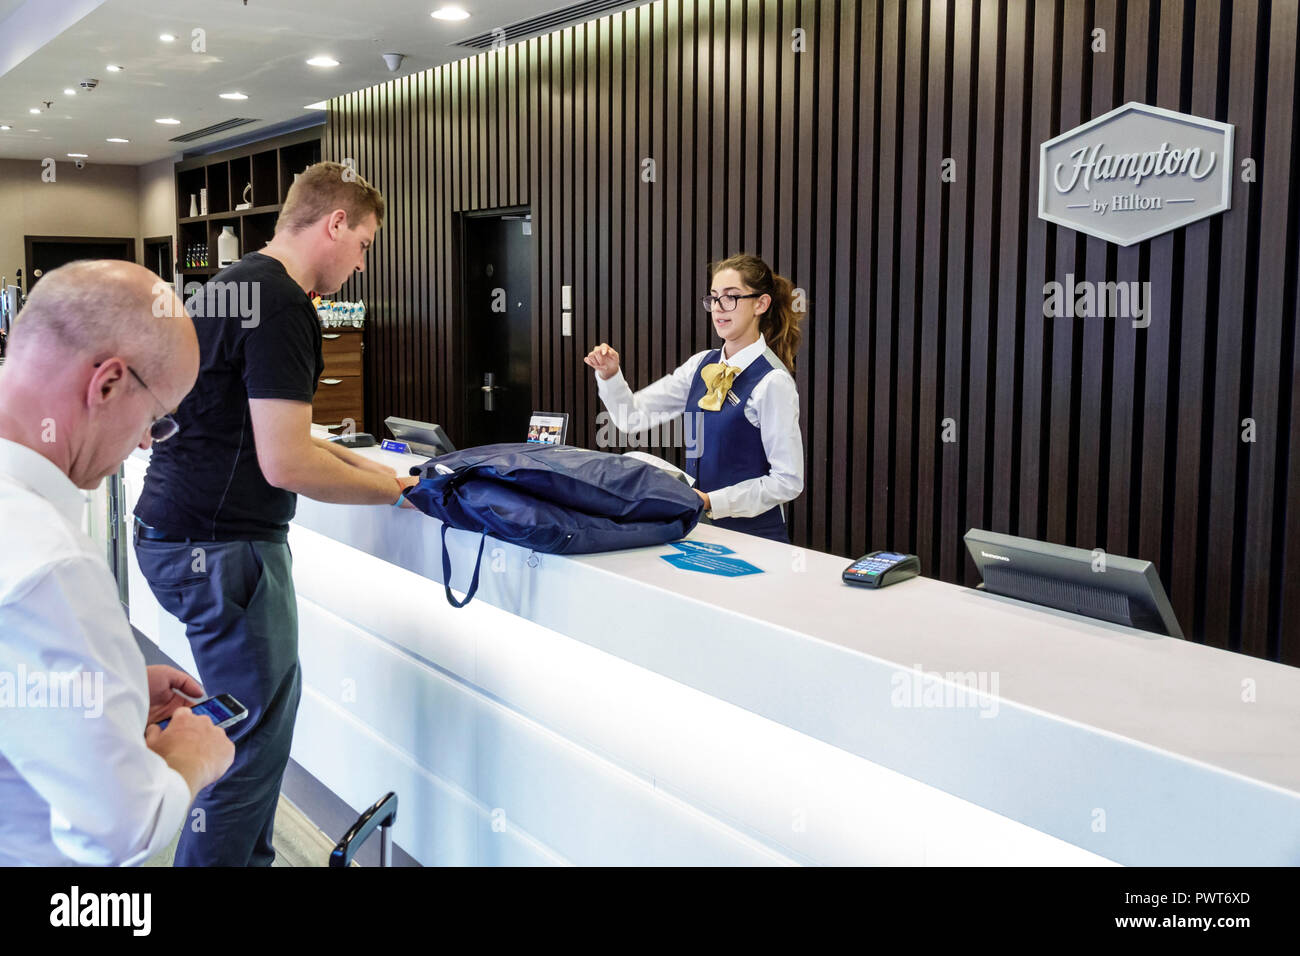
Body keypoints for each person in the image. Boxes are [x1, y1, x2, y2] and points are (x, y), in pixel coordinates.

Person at [132, 162, 419, 867]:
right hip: (227, 550)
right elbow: (284, 463)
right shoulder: (287, 305)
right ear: (335, 223)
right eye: (365, 243)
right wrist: (394, 494)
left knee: (237, 732)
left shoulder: (228, 288)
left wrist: (378, 471)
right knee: (244, 745)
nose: (361, 263)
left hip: (176, 534)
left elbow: (274, 432)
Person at [0, 260, 235, 866]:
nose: (144, 443)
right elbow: (116, 828)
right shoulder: (52, 568)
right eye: (156, 419)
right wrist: (191, 760)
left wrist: (113, 691)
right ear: (106, 384)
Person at [585, 254, 804, 542]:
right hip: (698, 532)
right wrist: (610, 375)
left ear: (761, 304)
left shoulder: (773, 381)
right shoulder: (701, 364)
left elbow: (787, 482)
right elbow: (631, 418)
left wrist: (712, 501)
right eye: (714, 298)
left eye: (731, 298)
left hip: (755, 540)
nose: (719, 309)